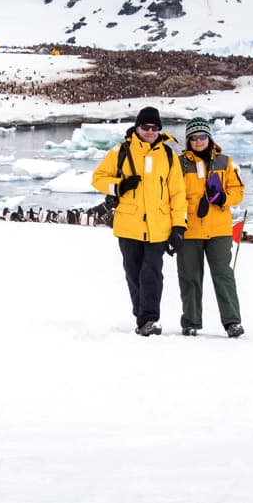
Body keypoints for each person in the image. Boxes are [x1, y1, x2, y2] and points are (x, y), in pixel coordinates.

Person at [91, 106, 187, 336]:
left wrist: (179, 226)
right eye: (146, 127)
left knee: (152, 273)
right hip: (129, 226)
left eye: (155, 127)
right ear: (137, 127)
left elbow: (177, 193)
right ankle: (142, 316)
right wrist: (119, 186)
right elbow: (98, 178)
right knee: (133, 274)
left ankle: (149, 319)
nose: (150, 131)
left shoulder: (168, 156)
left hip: (158, 226)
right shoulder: (120, 152)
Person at [177, 118, 245, 338]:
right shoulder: (179, 164)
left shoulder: (225, 162)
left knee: (223, 275)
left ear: (209, 138)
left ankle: (232, 322)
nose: (199, 141)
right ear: (188, 140)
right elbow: (172, 195)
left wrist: (223, 197)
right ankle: (191, 322)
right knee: (190, 277)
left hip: (219, 230)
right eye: (194, 137)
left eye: (202, 136)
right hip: (189, 229)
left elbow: (238, 191)